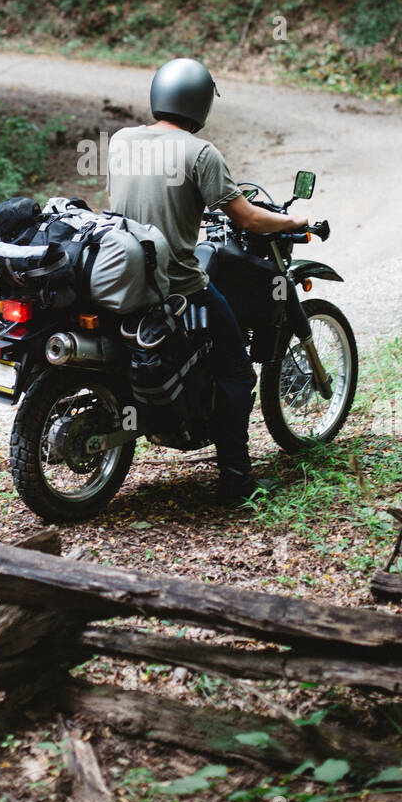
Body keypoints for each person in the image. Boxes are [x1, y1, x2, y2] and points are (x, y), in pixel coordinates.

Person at [107, 57, 309, 504]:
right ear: (200, 104)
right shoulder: (201, 153)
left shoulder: (121, 141)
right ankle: (237, 482)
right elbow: (248, 218)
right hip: (177, 284)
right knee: (238, 370)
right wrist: (290, 218)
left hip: (120, 278)